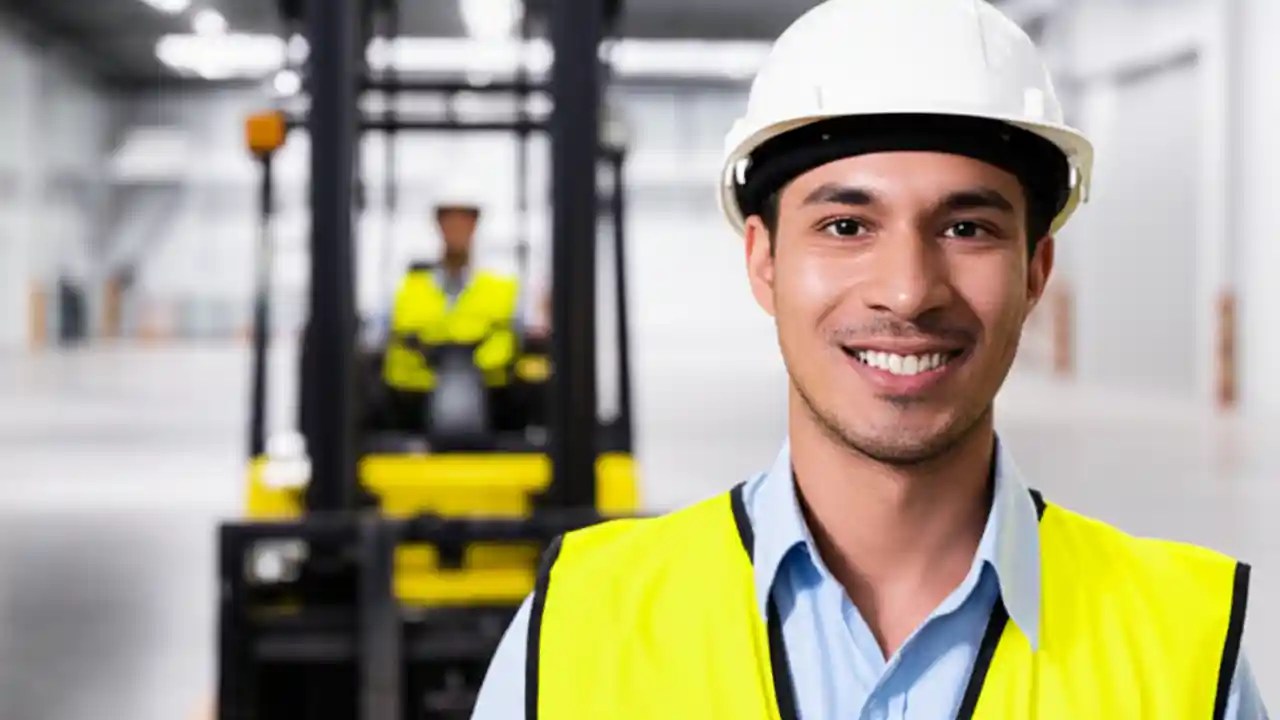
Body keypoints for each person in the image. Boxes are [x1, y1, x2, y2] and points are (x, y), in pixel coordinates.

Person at [472, 0, 1268, 717]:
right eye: (847, 227)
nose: (909, 291)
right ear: (764, 261)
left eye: (967, 228)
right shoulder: (576, 627)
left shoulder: (1187, 653)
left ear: (1035, 271)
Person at [380, 195, 524, 432]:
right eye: (449, 219)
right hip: (412, 407)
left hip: (492, 404)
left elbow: (512, 345)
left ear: (475, 225)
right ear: (438, 224)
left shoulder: (502, 289)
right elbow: (394, 344)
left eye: (464, 220)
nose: (457, 228)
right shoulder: (408, 289)